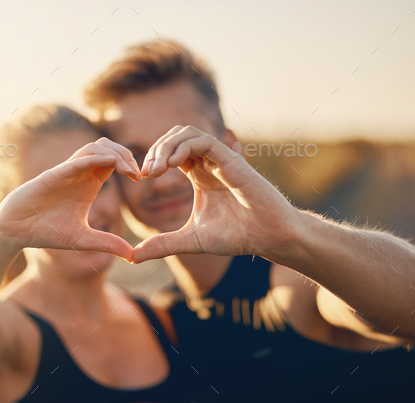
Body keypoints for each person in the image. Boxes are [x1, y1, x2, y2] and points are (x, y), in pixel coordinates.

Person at [84, 40, 415, 401]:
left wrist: (295, 235)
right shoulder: (163, 316)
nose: (163, 178)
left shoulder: (291, 284)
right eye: (136, 155)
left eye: (181, 146)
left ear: (229, 147)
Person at [0, 105, 195, 403]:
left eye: (100, 184)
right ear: (6, 207)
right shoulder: (8, 334)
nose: (85, 212)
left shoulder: (157, 318)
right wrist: (0, 232)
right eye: (56, 193)